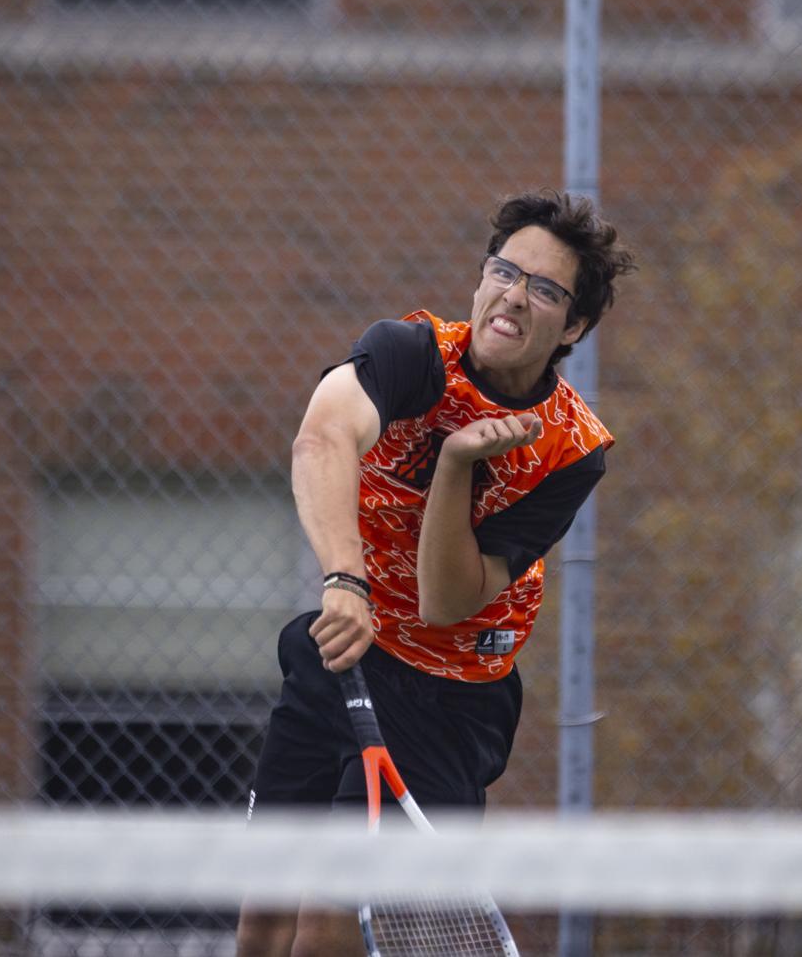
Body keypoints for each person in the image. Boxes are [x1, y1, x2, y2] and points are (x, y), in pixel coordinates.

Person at [236, 188, 635, 956]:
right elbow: (321, 441)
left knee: (326, 926)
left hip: (447, 699)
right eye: (505, 271)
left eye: (545, 289)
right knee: (263, 916)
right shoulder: (409, 355)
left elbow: (446, 599)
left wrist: (457, 462)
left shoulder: (571, 450)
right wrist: (345, 582)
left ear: (573, 326)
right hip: (346, 652)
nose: (514, 296)